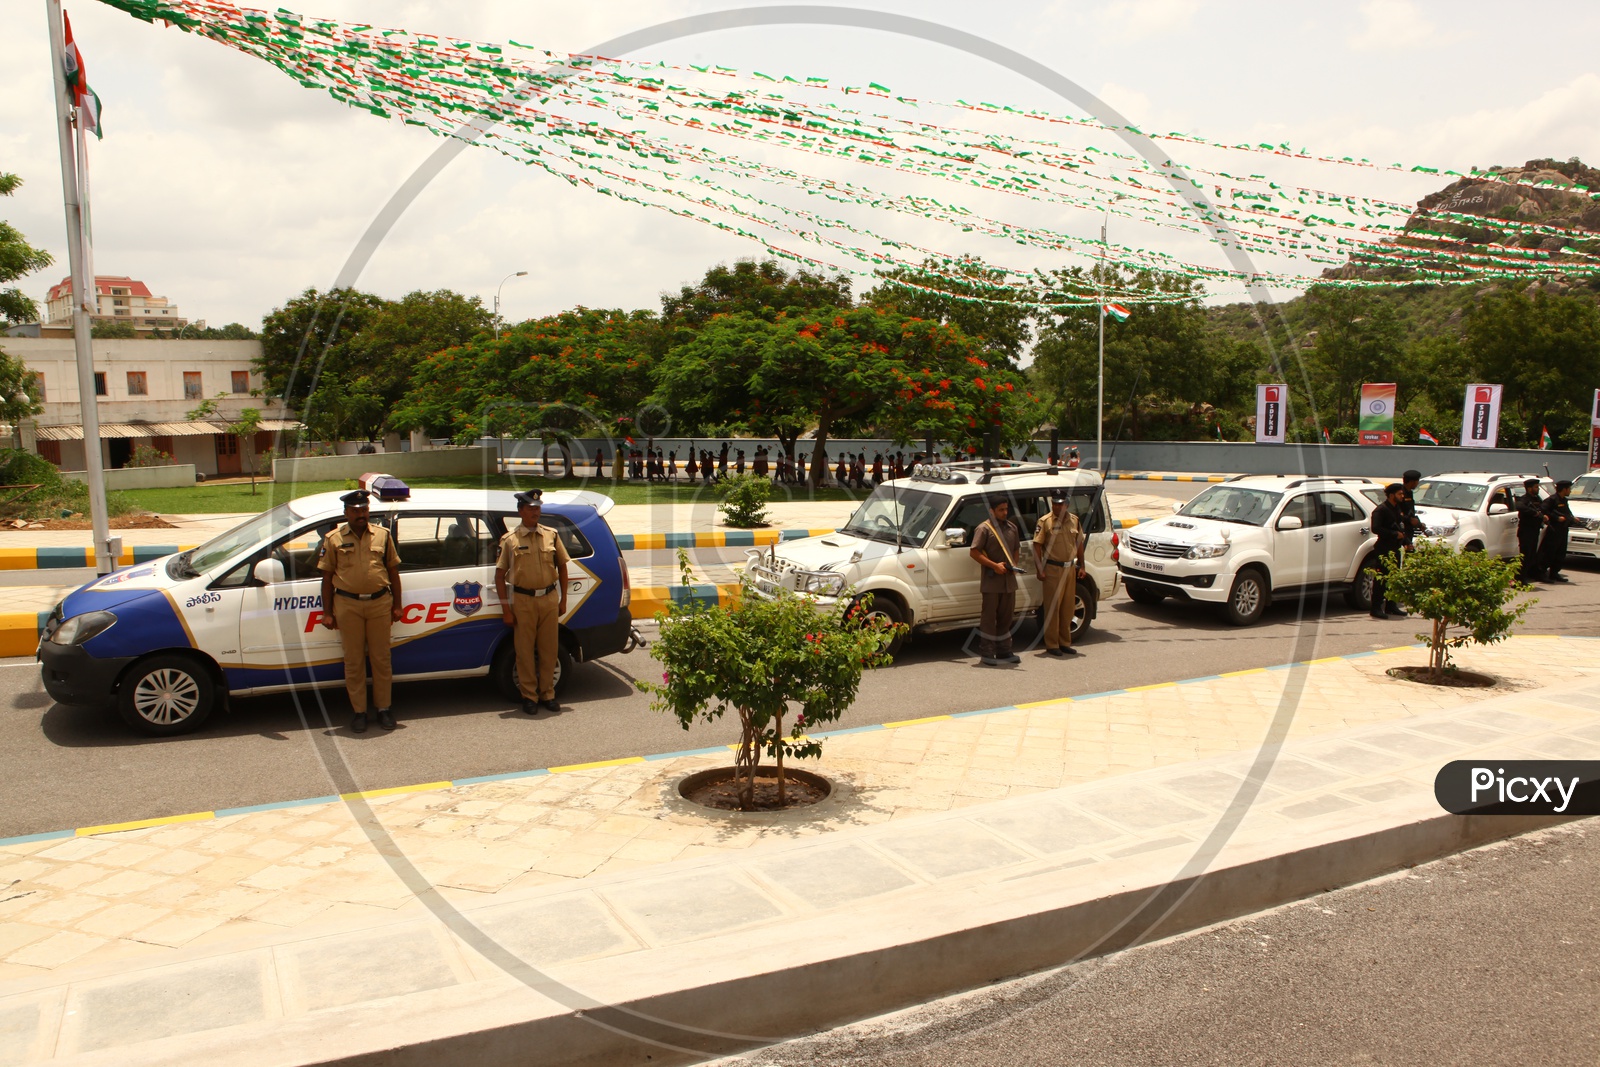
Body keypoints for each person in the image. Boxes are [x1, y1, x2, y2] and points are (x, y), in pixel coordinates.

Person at [317, 489, 403, 732]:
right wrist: (327, 612)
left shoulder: (383, 536)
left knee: (381, 659)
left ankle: (384, 709)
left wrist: (397, 605)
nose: (360, 514)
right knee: (353, 661)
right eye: (355, 511)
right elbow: (327, 578)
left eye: (364, 510)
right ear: (346, 513)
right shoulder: (333, 538)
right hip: (347, 604)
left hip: (379, 603)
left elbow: (393, 573)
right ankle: (359, 712)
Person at [495, 489, 570, 714]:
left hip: (548, 599)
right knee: (524, 651)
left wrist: (563, 599)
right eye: (530, 508)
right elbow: (499, 576)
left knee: (549, 649)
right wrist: (506, 610)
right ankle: (529, 696)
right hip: (523, 601)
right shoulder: (510, 540)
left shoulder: (551, 535)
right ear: (521, 512)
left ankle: (548, 693)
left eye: (537, 508)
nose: (535, 512)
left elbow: (563, 567)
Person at [1033, 490, 1087, 657]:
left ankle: (1065, 642)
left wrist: (1082, 565)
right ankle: (1052, 644)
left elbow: (1079, 544)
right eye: (1054, 503)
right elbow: (1037, 546)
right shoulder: (1045, 522)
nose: (1057, 506)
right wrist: (1039, 569)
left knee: (1068, 608)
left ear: (1067, 504)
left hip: (1070, 569)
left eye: (1060, 503)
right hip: (1053, 569)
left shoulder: (1074, 521)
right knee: (1053, 608)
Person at [970, 496, 1023, 665]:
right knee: (989, 619)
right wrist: (994, 566)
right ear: (991, 511)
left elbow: (1016, 549)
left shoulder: (1012, 528)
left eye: (1006, 509)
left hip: (1008, 582)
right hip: (991, 582)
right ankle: (987, 652)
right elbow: (974, 552)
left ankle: (1004, 650)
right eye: (1001, 510)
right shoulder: (984, 529)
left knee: (1006, 618)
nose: (1005, 512)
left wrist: (1014, 565)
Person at [1369, 482, 1409, 620]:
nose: (1402, 496)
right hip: (1383, 549)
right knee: (1381, 580)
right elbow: (1376, 528)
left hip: (1395, 548)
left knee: (1394, 578)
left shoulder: (1396, 508)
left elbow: (1400, 527)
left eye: (1402, 493)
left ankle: (1391, 606)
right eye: (1399, 494)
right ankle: (1376, 608)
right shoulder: (1381, 510)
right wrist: (1393, 534)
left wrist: (1406, 542)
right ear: (1391, 495)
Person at [1539, 480, 1575, 583]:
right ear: (1564, 489)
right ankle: (1542, 572)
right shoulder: (1552, 500)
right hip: (1554, 529)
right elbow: (1544, 510)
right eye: (1569, 489)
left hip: (1563, 529)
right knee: (1549, 552)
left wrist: (1572, 518)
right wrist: (1556, 517)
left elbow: (1567, 512)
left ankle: (1554, 573)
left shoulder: (1564, 500)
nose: (1570, 491)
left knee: (1560, 553)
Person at [1515, 478, 1545, 582]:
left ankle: (1526, 576)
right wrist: (1535, 513)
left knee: (1531, 555)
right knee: (1525, 556)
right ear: (1529, 488)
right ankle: (1519, 579)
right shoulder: (1524, 499)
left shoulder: (1537, 499)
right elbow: (1519, 506)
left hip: (1535, 531)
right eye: (1536, 487)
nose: (1538, 489)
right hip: (1526, 531)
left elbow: (1543, 508)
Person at [1399, 469, 1424, 546]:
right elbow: (1397, 512)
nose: (1417, 484)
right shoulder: (1400, 493)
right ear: (1412, 482)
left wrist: (1419, 524)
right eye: (1417, 481)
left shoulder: (1409, 492)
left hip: (1409, 529)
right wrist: (1409, 519)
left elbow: (1410, 511)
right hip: (1401, 528)